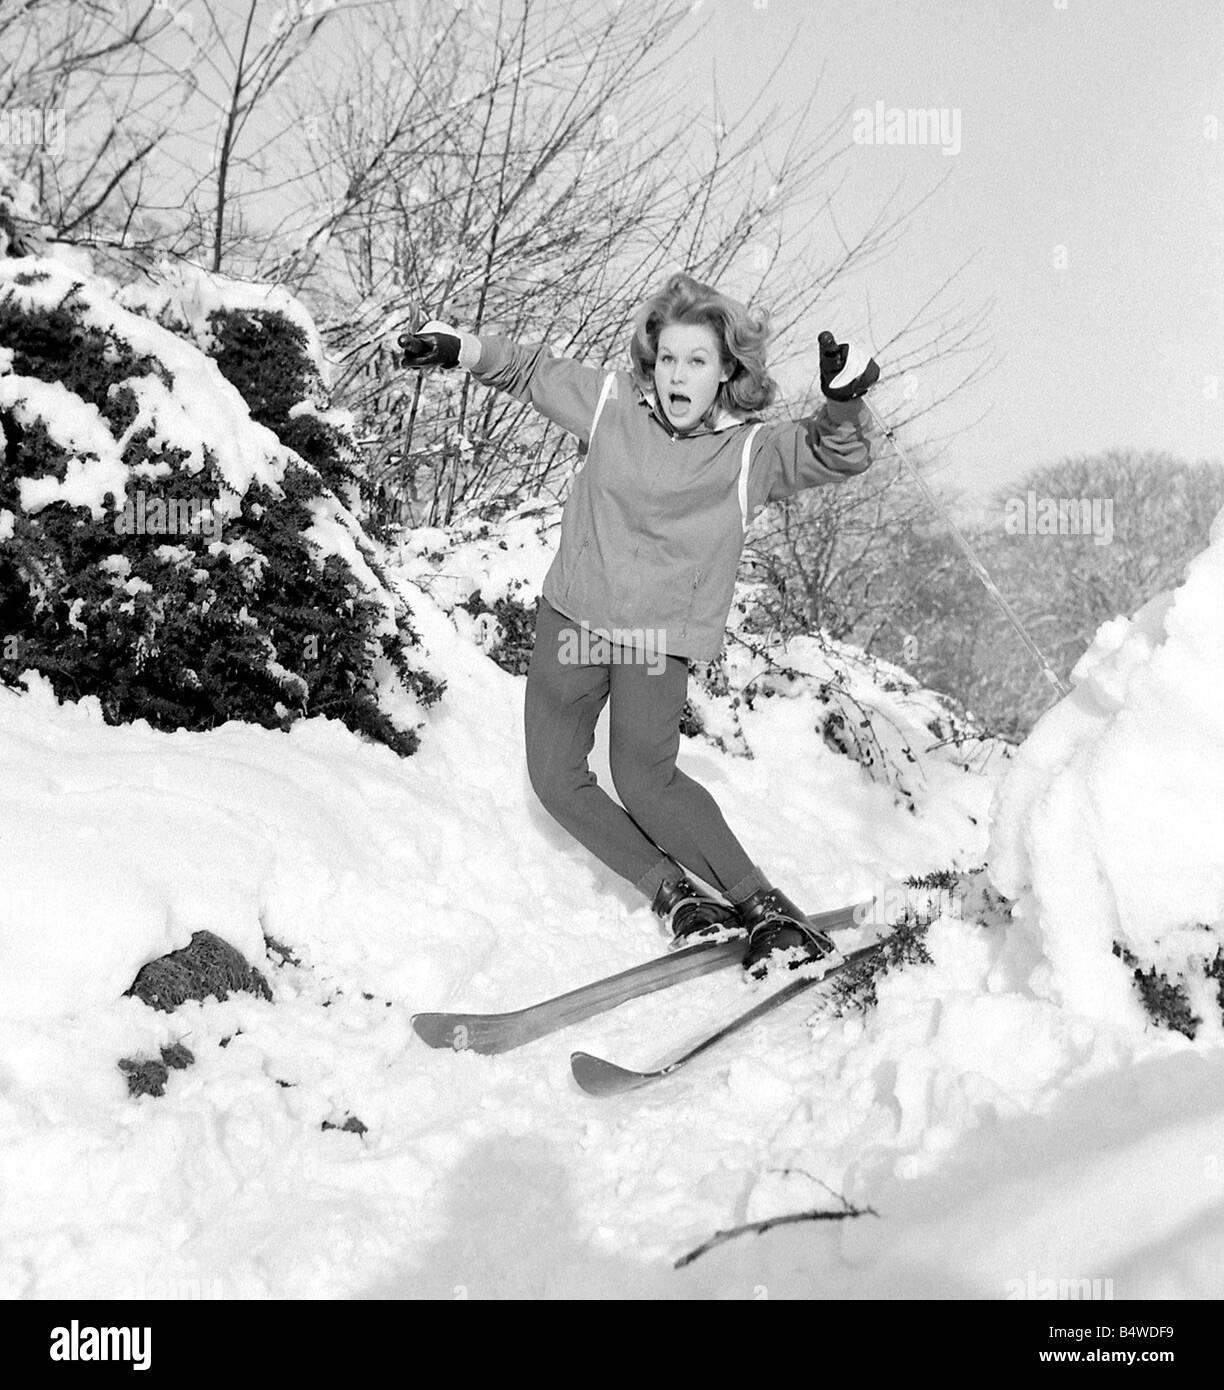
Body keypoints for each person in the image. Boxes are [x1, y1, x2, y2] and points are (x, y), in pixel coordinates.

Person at [398, 271, 879, 977]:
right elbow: (531, 371)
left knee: (643, 777)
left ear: (727, 373)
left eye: (697, 361)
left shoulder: (750, 452)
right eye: (668, 359)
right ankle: (677, 895)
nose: (678, 376)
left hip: (657, 639)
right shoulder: (612, 405)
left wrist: (843, 403)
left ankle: (764, 907)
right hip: (573, 617)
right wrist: (461, 348)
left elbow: (837, 454)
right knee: (556, 777)